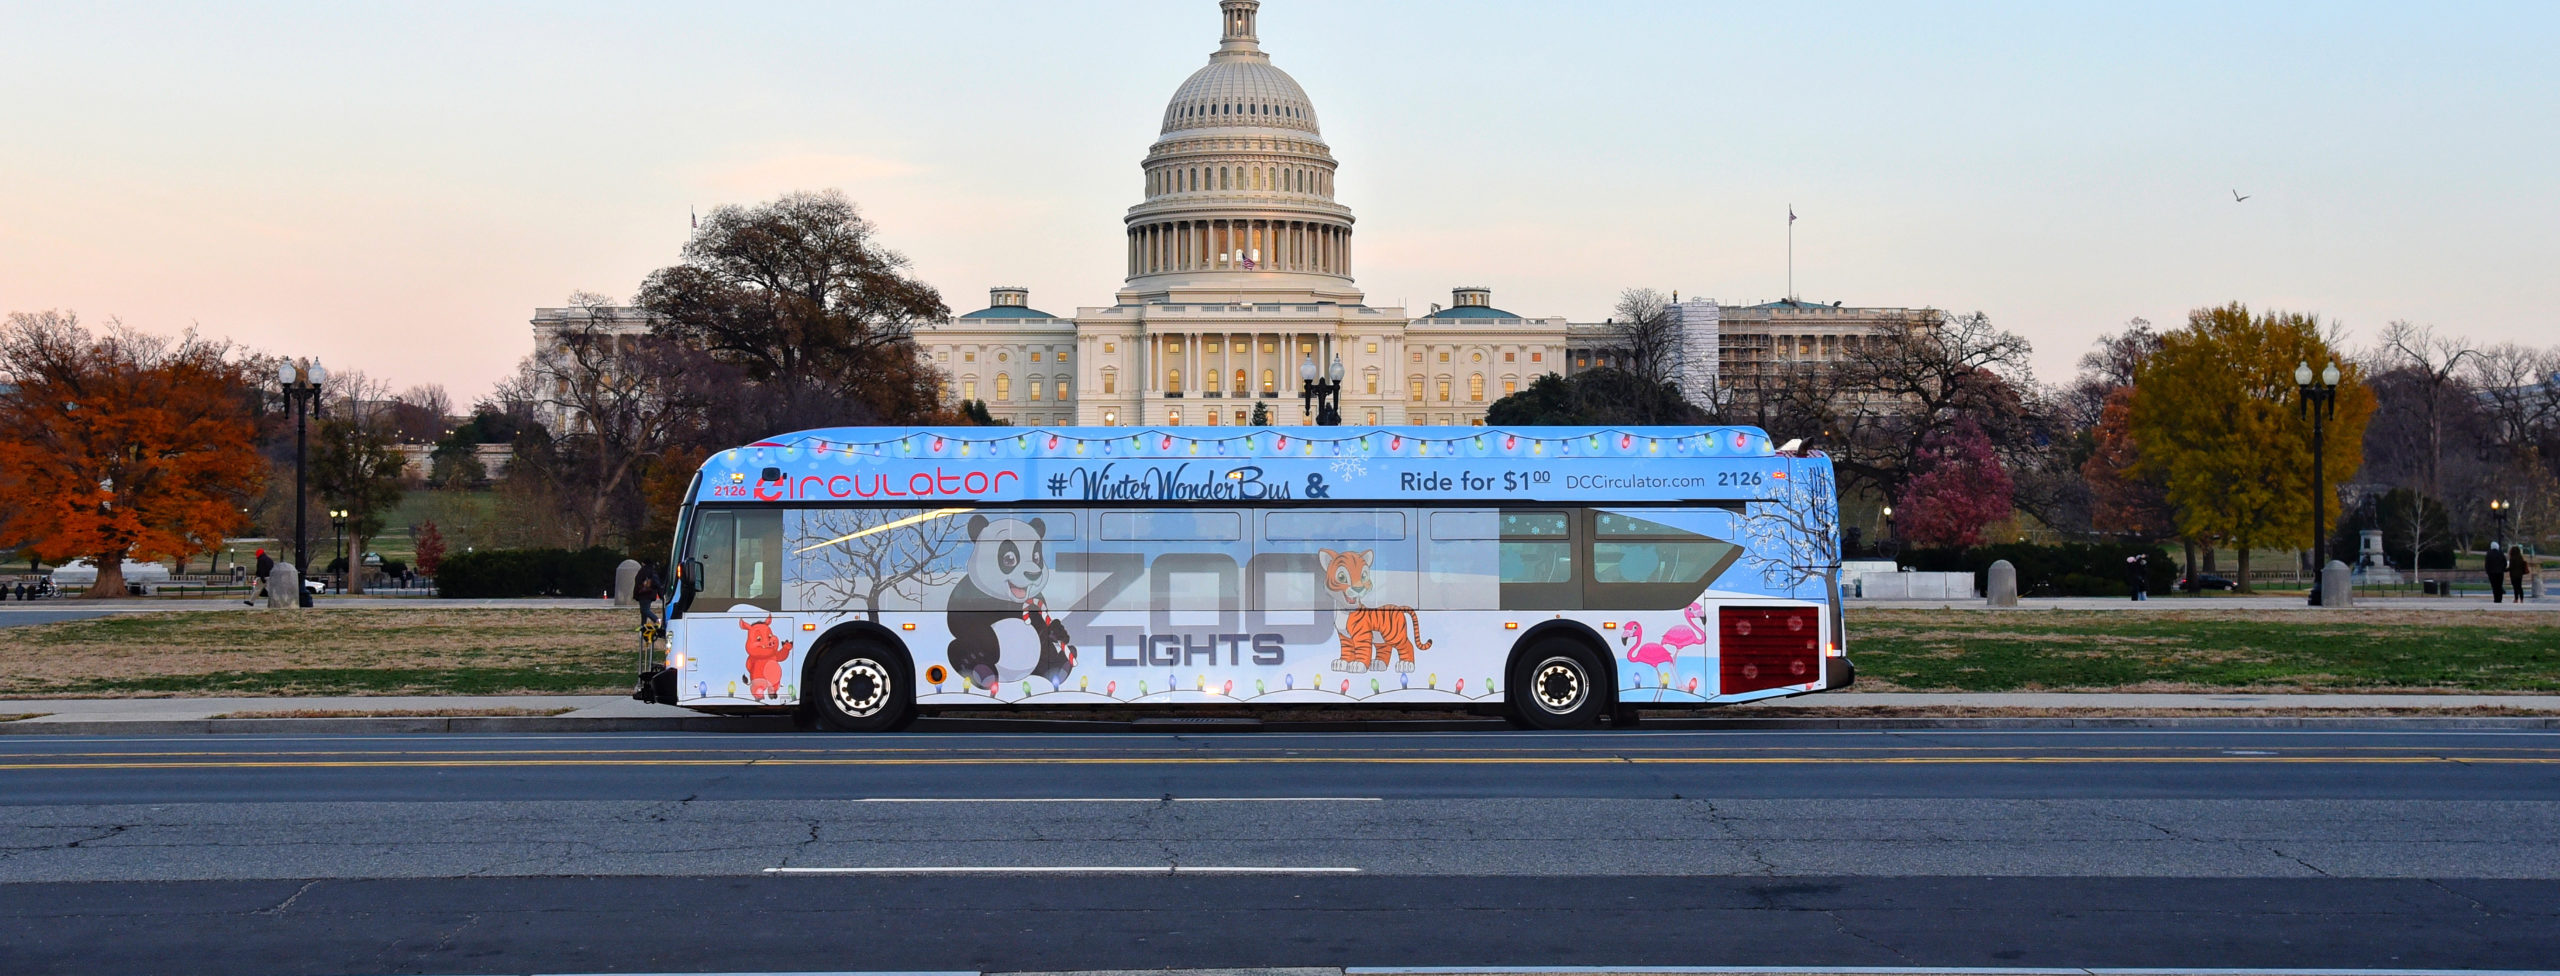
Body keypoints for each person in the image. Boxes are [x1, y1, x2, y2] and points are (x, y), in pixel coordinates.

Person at [633, 562, 664, 630]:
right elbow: (657, 584)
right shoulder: (652, 571)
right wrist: (660, 595)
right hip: (650, 594)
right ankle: (643, 625)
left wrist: (636, 594)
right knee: (644, 611)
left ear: (643, 563)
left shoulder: (643, 571)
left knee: (645, 610)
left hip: (643, 594)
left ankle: (657, 620)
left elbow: (638, 582)